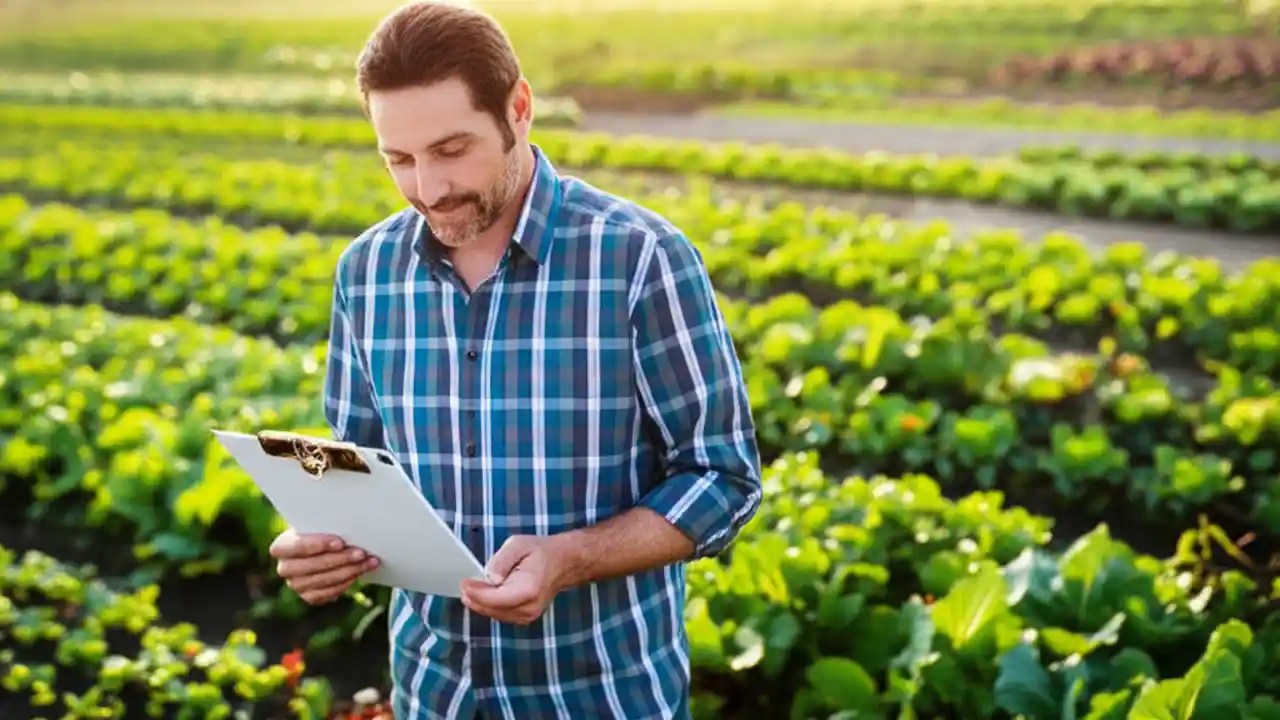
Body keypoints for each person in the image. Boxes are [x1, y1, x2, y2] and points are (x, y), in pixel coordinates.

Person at [266, 2, 762, 718]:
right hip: (435, 692)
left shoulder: (638, 259)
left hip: (599, 696)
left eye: (451, 149)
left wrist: (574, 559)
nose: (427, 189)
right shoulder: (366, 273)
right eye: (398, 160)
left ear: (519, 109)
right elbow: (361, 465)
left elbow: (723, 477)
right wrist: (321, 540)